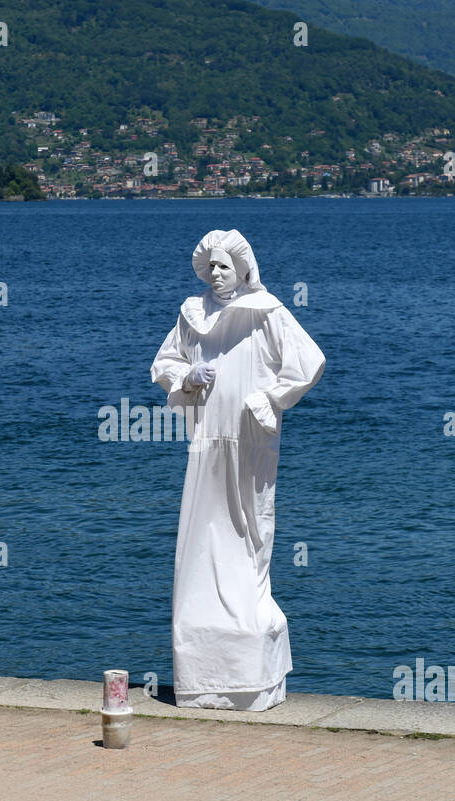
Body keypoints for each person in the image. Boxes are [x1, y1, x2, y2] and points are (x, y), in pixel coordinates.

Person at [151, 230, 325, 710]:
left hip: (250, 439)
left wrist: (269, 397)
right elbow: (165, 361)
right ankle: (205, 645)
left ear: (243, 268)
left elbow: (309, 362)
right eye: (211, 267)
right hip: (207, 439)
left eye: (225, 266)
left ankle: (245, 623)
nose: (217, 274)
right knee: (202, 529)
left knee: (248, 529)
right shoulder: (193, 313)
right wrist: (188, 375)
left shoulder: (267, 311)